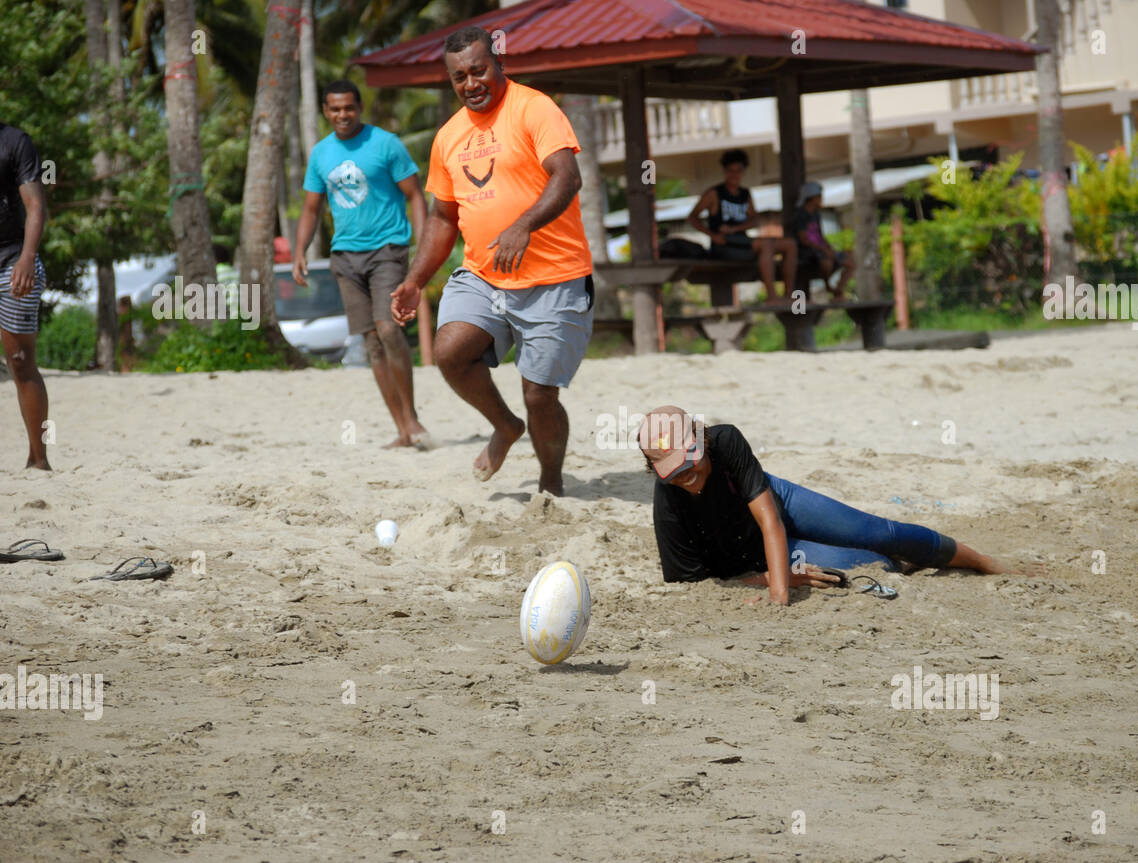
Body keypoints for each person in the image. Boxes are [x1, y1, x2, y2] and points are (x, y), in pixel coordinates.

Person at [390, 26, 593, 497]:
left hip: (555, 277)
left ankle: (551, 483)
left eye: (478, 70)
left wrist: (524, 224)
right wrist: (416, 280)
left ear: (499, 65)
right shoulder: (449, 137)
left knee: (540, 394)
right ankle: (504, 426)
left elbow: (568, 176)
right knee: (449, 352)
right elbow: (443, 217)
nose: (470, 83)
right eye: (459, 77)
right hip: (485, 275)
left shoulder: (532, 107)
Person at [638, 406, 1035, 606]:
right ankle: (904, 562)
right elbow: (696, 581)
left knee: (878, 532)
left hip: (778, 508)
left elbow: (770, 520)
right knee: (874, 564)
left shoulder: (726, 440)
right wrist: (775, 579)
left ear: (702, 441)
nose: (685, 476)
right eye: (673, 472)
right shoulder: (668, 507)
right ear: (656, 471)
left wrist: (779, 597)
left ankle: (981, 561)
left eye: (689, 462)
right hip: (752, 559)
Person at [294, 79, 434, 449]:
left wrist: (422, 246)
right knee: (371, 342)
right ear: (326, 111)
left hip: (387, 249)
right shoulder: (321, 153)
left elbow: (415, 195)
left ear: (360, 107)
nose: (343, 115)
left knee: (388, 330)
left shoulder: (385, 143)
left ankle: (413, 418)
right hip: (345, 257)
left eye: (349, 108)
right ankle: (403, 428)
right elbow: (311, 208)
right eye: (335, 109)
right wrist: (298, 251)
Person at [0, 121, 50, 470]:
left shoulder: (15, 142)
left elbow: (35, 205)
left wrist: (27, 258)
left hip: (11, 261)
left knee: (19, 360)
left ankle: (39, 458)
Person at [686, 149, 798, 304]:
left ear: (743, 172)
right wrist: (712, 235)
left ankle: (789, 295)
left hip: (742, 242)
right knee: (766, 244)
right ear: (725, 171)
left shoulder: (745, 194)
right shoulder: (714, 193)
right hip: (724, 246)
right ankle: (772, 297)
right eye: (731, 171)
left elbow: (754, 220)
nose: (735, 175)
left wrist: (735, 229)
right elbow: (693, 217)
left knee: (790, 244)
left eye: (738, 171)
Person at [793, 182, 854, 301]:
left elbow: (819, 235)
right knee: (826, 263)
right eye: (819, 196)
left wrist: (828, 247)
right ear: (811, 197)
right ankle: (828, 286)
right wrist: (823, 249)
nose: (821, 199)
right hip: (808, 252)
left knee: (850, 262)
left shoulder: (816, 214)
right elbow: (803, 239)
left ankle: (838, 291)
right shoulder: (801, 215)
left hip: (821, 250)